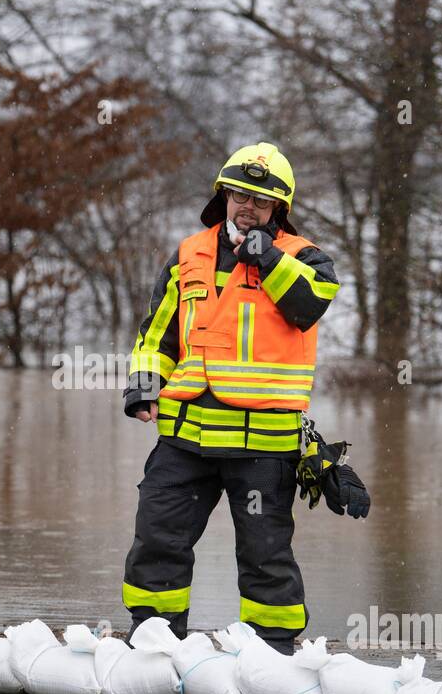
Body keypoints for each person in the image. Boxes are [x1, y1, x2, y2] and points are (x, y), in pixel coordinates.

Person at [120, 142, 341, 654]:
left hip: (262, 445)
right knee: (158, 537)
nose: (248, 208)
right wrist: (144, 387)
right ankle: (154, 636)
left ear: (278, 210)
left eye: (261, 202)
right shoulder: (188, 254)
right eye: (240, 195)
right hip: (184, 437)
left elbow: (308, 306)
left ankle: (274, 649)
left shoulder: (307, 259)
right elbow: (159, 335)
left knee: (265, 553)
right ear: (223, 195)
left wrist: (267, 261)